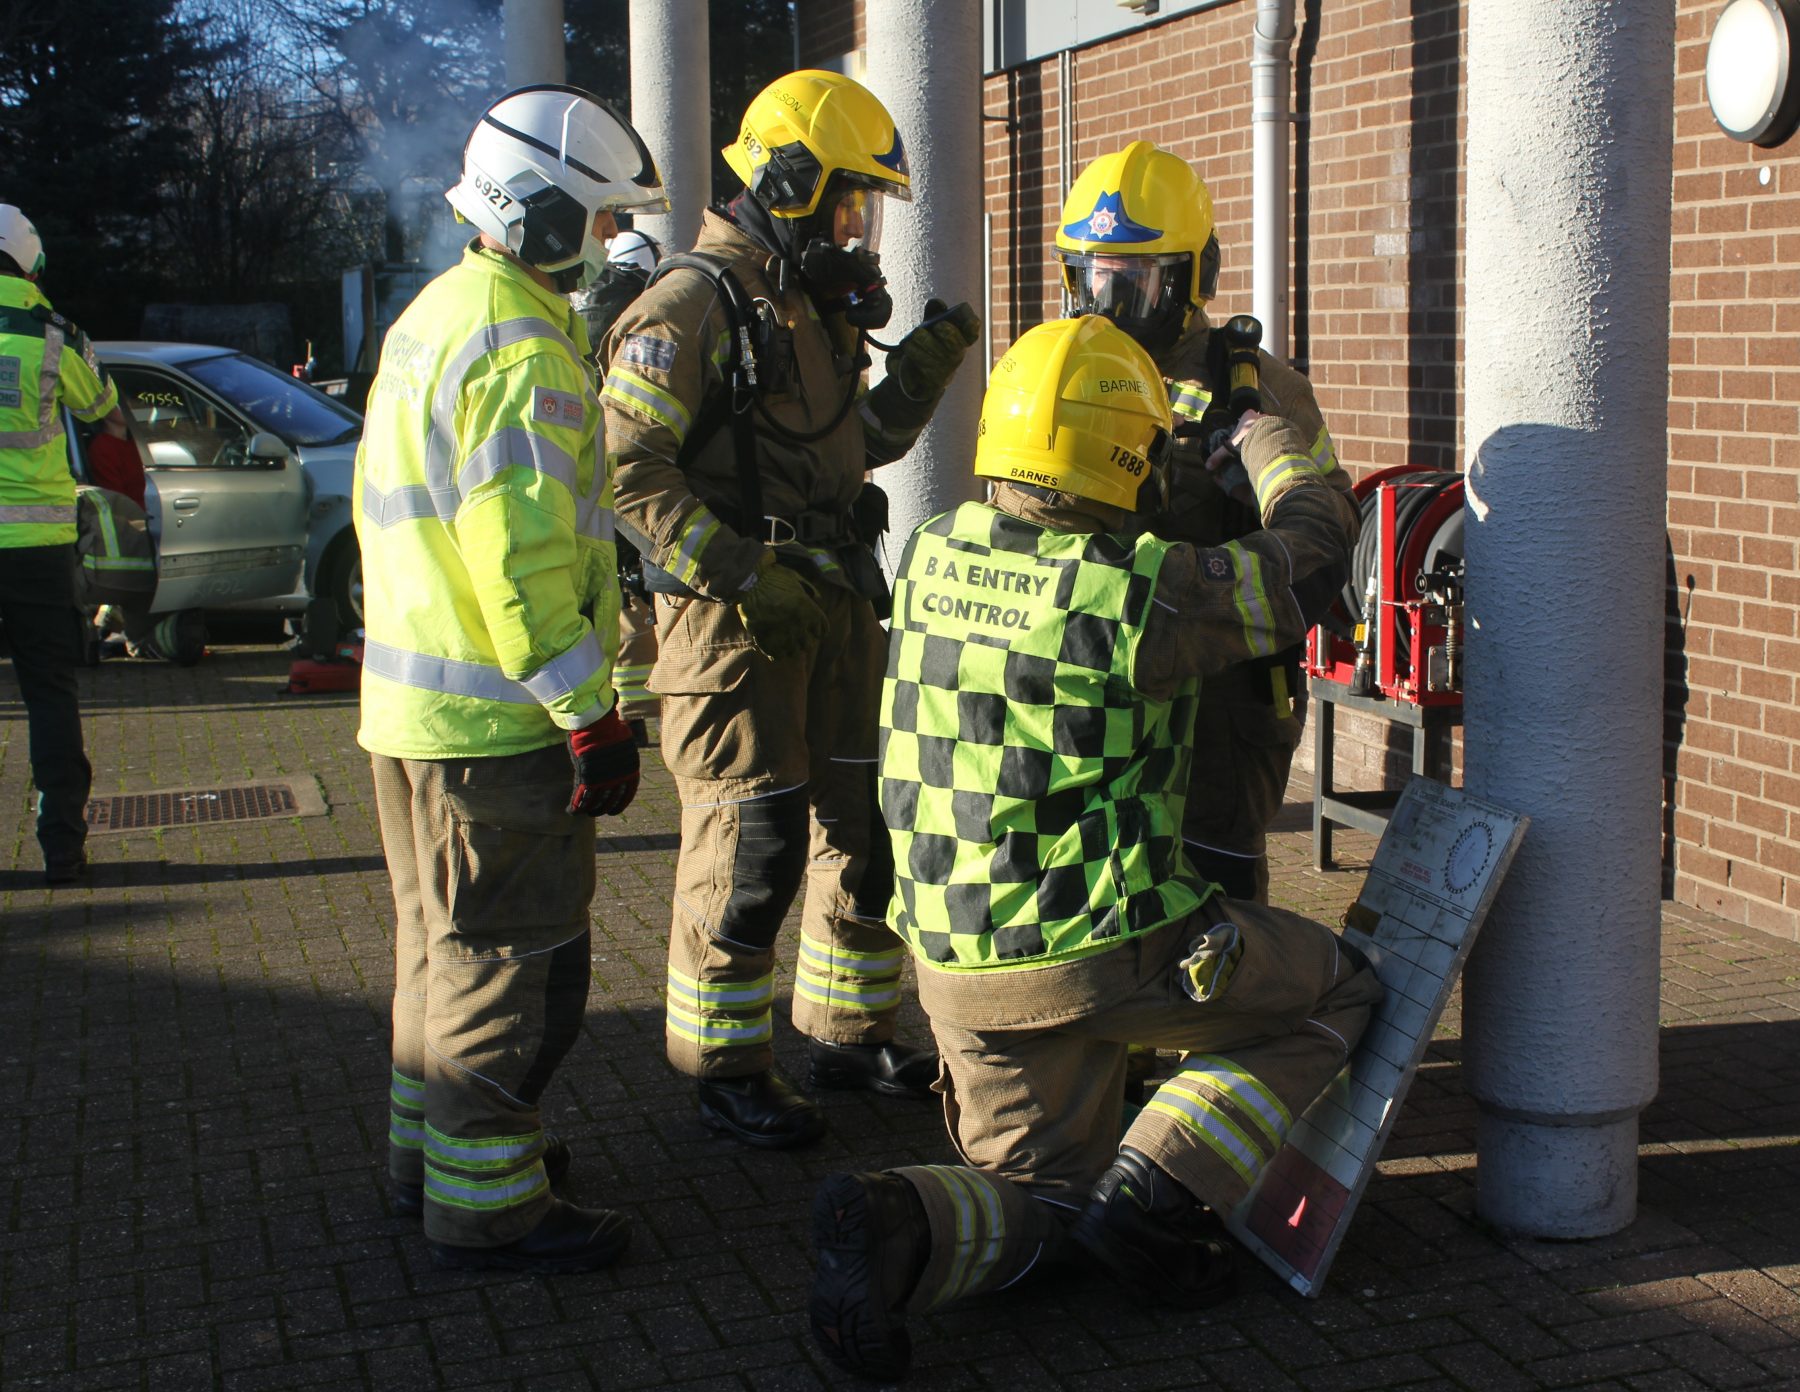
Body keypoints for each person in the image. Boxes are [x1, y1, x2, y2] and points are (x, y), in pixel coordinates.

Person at [806, 316, 1383, 1380]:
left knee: (1042, 1208)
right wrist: (1268, 445)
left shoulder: (933, 551)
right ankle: (1162, 1187)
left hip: (954, 969)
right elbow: (1309, 555)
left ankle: (896, 1226)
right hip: (1098, 951)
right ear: (1130, 458)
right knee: (1342, 990)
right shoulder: (1131, 592)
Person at [601, 70, 981, 1149]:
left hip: (835, 605)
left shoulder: (803, 307)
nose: (859, 234)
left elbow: (856, 449)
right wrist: (735, 574)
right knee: (753, 836)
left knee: (865, 829)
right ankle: (724, 1066)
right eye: (849, 204)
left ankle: (845, 1038)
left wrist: (916, 377)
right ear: (788, 181)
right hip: (736, 622)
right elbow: (626, 471)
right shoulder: (689, 305)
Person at [354, 85, 666, 1275]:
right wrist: (591, 717)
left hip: (411, 715)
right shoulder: (523, 346)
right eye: (593, 224)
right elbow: (524, 560)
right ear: (541, 216)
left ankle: (428, 1160)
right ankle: (487, 1203)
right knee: (510, 966)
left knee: (435, 951)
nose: (602, 251)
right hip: (499, 724)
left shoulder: (436, 314)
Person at [1055, 142, 1353, 903]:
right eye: (1095, 281)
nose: (1109, 307)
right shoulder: (1070, 370)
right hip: (1110, 668)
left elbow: (1325, 517)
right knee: (1106, 875)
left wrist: (1253, 474)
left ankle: (1228, 1012)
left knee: (1215, 881)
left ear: (1194, 278)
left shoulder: (1258, 384)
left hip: (1227, 686)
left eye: (1135, 284)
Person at [0, 204, 132, 884]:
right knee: (48, 695)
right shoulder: (54, 335)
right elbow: (105, 416)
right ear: (30, 262)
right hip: (36, 547)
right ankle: (61, 847)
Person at [573, 229, 665, 741]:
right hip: (623, 459)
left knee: (606, 589)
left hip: (583, 462)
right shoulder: (637, 308)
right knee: (632, 593)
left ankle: (615, 704)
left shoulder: (582, 302)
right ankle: (635, 711)